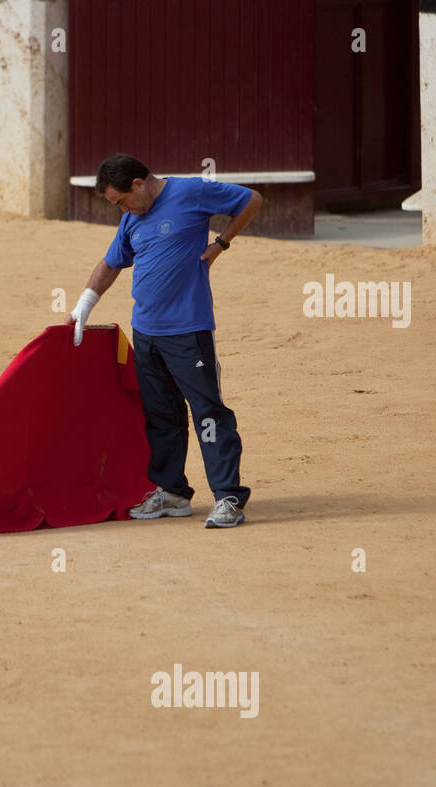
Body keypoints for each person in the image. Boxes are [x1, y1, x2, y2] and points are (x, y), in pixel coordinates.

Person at [66, 154, 262, 529]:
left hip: (188, 329)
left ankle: (228, 497)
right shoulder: (132, 219)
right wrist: (82, 307)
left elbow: (251, 199)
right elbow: (111, 264)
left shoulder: (190, 191)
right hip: (146, 332)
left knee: (208, 413)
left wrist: (221, 243)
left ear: (139, 183)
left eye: (121, 201)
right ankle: (172, 493)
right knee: (160, 415)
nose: (122, 210)